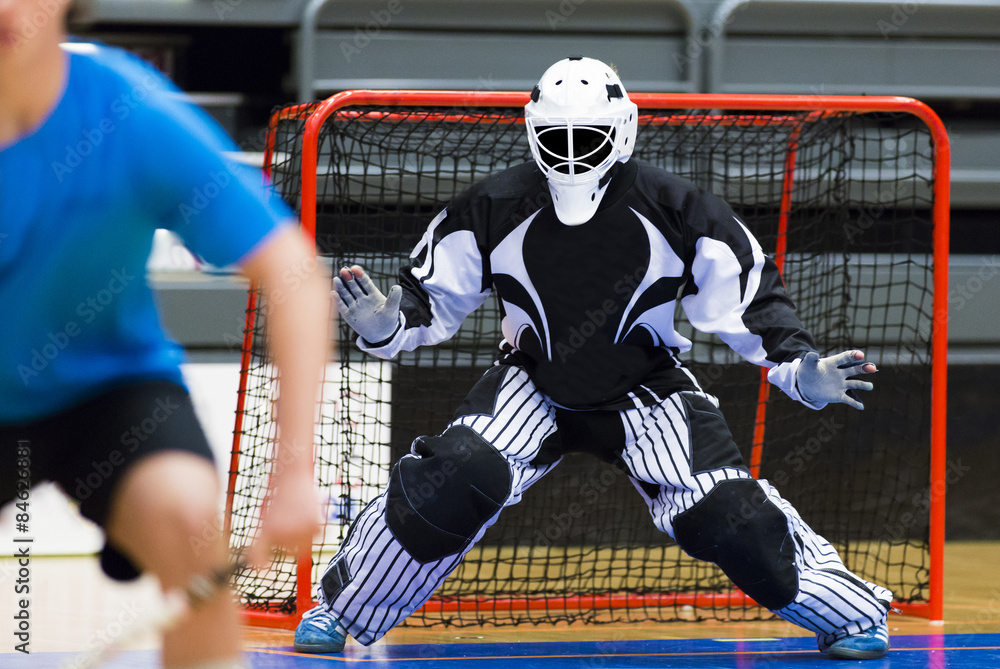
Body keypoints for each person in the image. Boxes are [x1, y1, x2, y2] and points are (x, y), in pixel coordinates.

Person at [294, 56, 893, 661]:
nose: (573, 155)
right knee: (456, 475)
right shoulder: (492, 205)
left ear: (623, 130)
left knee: (725, 514)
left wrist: (801, 368)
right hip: (530, 384)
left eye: (589, 138)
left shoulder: (682, 209)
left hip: (647, 388)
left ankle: (851, 612)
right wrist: (384, 326)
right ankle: (341, 609)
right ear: (533, 133)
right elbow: (428, 298)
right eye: (558, 139)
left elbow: (749, 302)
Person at [0, 2, 330, 668]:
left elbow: (293, 270)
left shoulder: (128, 113)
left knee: (190, 523)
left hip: (110, 392)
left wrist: (292, 472)